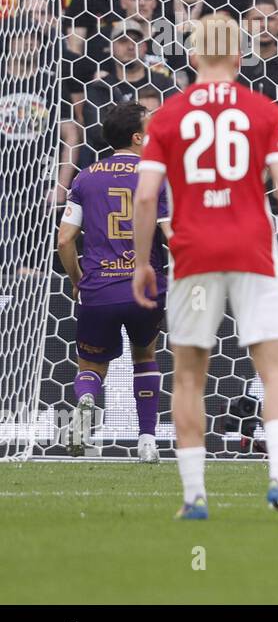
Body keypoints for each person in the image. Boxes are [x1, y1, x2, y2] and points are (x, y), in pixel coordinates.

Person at [131, 15, 278, 522]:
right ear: (239, 59)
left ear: (192, 59)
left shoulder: (167, 116)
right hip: (253, 251)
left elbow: (146, 196)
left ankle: (194, 498)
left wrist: (143, 261)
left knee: (189, 377)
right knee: (275, 368)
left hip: (191, 256)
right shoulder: (260, 109)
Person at [56, 101, 171, 462]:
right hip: (144, 285)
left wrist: (77, 279)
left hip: (98, 287)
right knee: (145, 357)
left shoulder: (85, 177)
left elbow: (64, 239)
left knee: (90, 368)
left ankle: (87, 399)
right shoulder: (157, 177)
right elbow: (171, 233)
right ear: (138, 137)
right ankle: (147, 441)